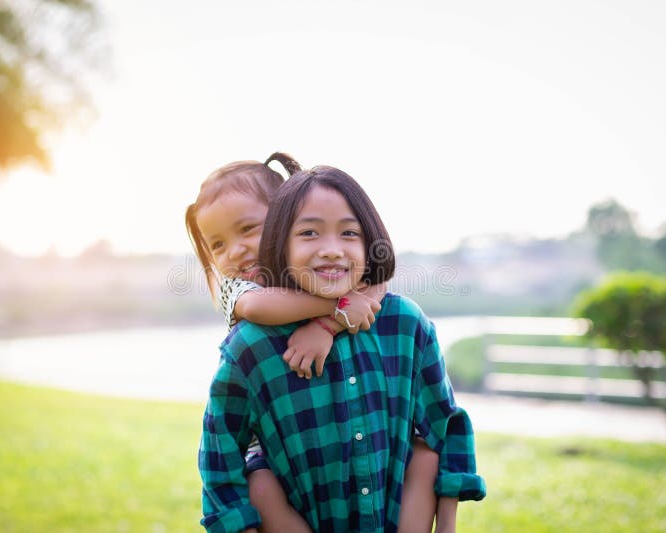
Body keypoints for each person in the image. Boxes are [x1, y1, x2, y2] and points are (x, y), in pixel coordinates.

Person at [199, 165, 486, 532]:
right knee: (260, 483)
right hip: (296, 499)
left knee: (426, 454)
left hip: (393, 513)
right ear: (280, 238)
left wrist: (332, 319)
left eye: (349, 232)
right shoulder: (249, 336)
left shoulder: (404, 324)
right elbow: (220, 456)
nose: (332, 250)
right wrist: (338, 310)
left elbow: (446, 427)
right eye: (308, 232)